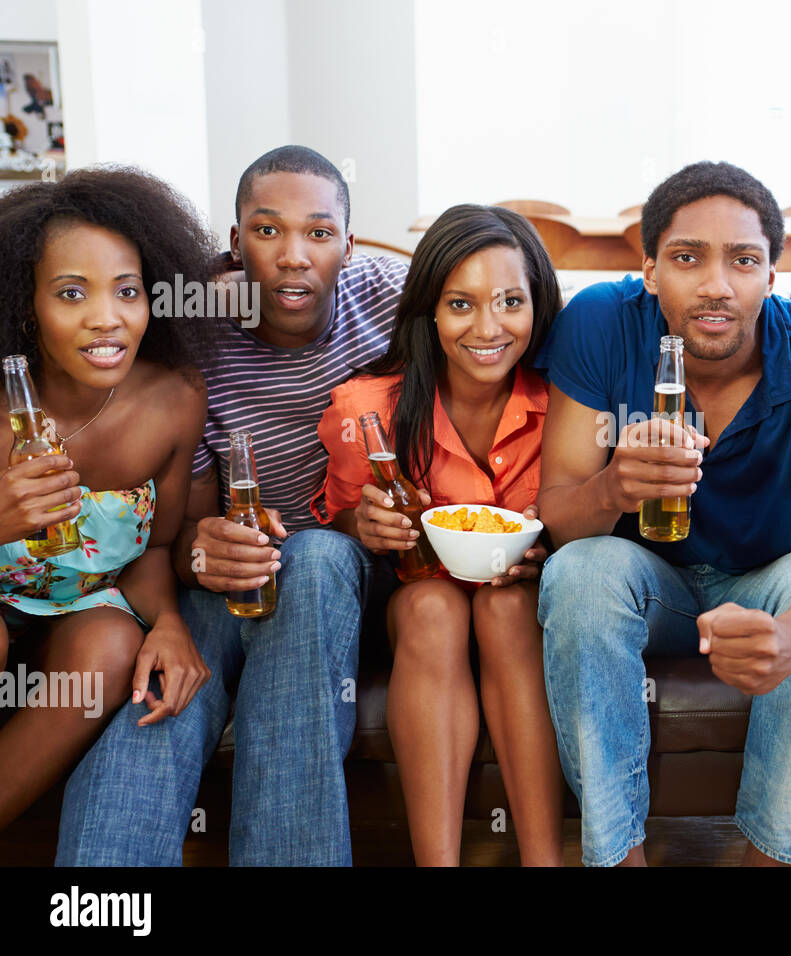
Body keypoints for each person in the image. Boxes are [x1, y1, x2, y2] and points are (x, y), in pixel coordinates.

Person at [56, 146, 407, 866]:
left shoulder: (396, 297)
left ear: (348, 241)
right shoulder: (189, 326)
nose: (292, 256)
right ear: (234, 241)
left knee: (310, 560)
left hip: (348, 566)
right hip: (229, 577)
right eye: (267, 230)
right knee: (157, 701)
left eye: (318, 232)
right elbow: (172, 523)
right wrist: (202, 550)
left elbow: (506, 325)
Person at [535, 161, 791, 867]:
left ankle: (778, 858)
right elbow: (561, 518)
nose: (717, 285)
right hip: (650, 580)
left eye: (744, 260)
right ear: (651, 270)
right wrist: (611, 490)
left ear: (772, 276)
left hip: (766, 583)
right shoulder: (602, 321)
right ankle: (617, 857)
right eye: (687, 258)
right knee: (580, 571)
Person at [317, 204, 565, 865]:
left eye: (511, 301)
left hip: (523, 607)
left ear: (539, 306)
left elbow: (582, 518)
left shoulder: (567, 406)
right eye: (461, 304)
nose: (487, 328)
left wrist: (549, 554)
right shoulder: (367, 410)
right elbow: (336, 518)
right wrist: (362, 522)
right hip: (417, 608)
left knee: (505, 606)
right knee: (433, 607)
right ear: (428, 310)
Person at [0, 167, 211, 832]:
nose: (107, 319)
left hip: (85, 608)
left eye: (127, 291)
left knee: (115, 646)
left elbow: (152, 548)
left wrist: (171, 625)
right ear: (25, 305)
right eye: (71, 293)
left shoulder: (173, 400)